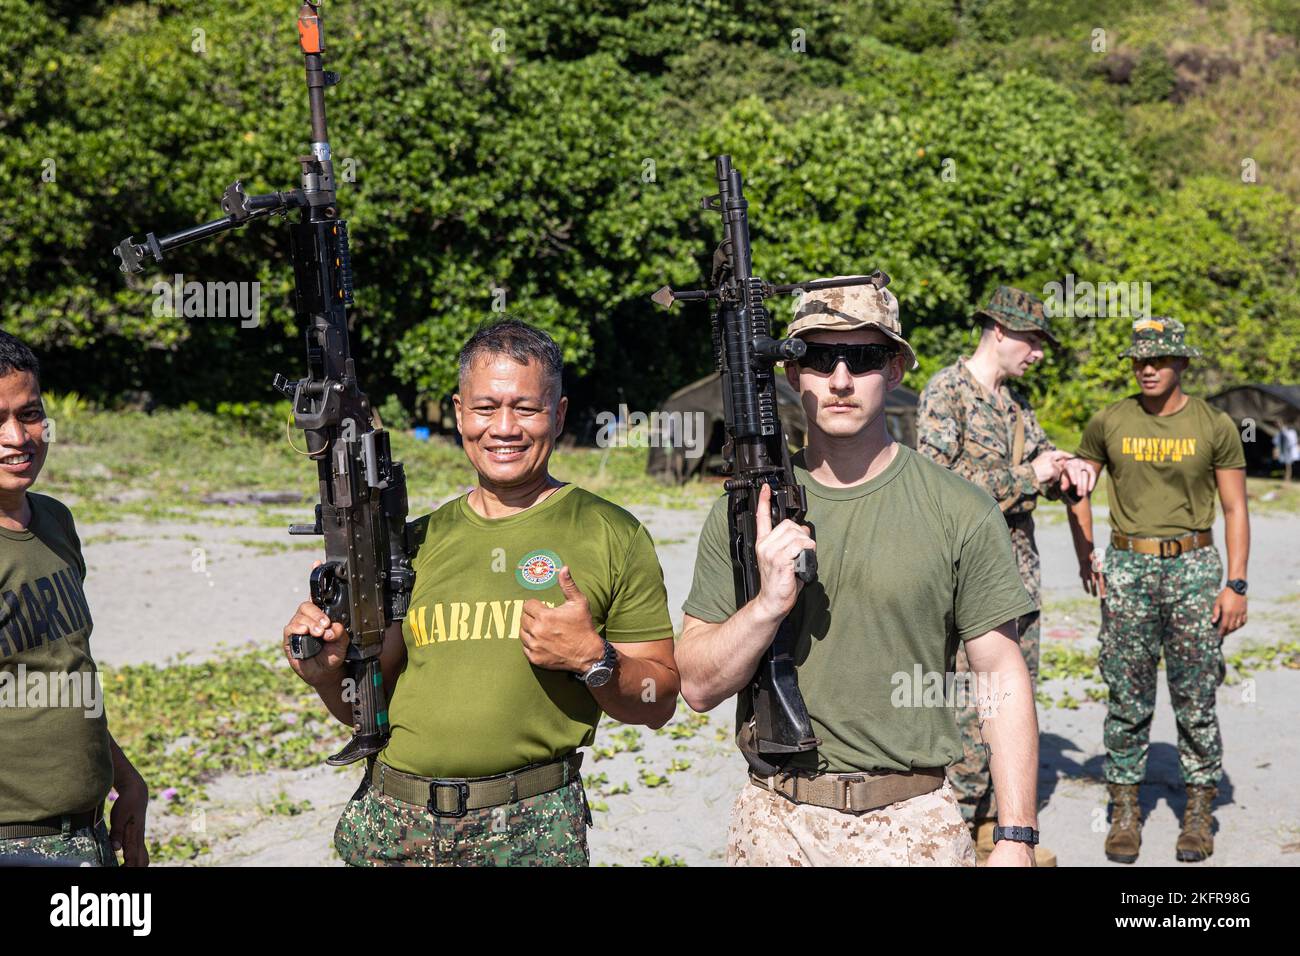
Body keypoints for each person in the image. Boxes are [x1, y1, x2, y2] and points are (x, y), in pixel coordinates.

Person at [282, 319, 679, 866]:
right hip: (392, 826)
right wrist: (328, 676)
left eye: (527, 408)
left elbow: (659, 701)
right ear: (459, 413)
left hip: (529, 831)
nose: (505, 428)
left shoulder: (611, 532)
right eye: (486, 408)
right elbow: (366, 711)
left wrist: (595, 660)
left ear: (558, 415)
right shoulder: (414, 542)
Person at [677, 283, 1042, 866]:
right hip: (777, 824)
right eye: (819, 358)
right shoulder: (747, 512)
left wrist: (1016, 837)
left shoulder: (961, 509)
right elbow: (696, 685)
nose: (841, 379)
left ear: (894, 369)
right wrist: (766, 605)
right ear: (792, 374)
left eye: (864, 358)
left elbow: (1001, 675)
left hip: (914, 824)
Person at [916, 286, 1094, 866]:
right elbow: (935, 483)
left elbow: (1043, 456)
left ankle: (1001, 828)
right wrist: (1027, 477)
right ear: (999, 330)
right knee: (970, 708)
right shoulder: (948, 392)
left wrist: (1069, 463)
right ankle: (957, 831)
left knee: (1014, 699)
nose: (1039, 352)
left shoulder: (1015, 407)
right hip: (966, 579)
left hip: (1018, 579)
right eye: (1033, 339)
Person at [1067, 316, 1249, 863]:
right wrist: (1087, 553)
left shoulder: (1214, 424)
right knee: (1127, 692)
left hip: (1195, 567)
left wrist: (1236, 584)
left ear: (1182, 364)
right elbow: (1080, 484)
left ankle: (1198, 811)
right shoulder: (1110, 420)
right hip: (1127, 566)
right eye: (1139, 360)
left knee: (1196, 695)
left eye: (1159, 360)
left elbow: (1237, 507)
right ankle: (1125, 809)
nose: (1147, 368)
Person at [0, 329, 149, 866]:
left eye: (30, 413)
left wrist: (124, 779)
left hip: (83, 833)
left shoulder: (55, 521)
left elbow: (65, 670)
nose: (18, 437)